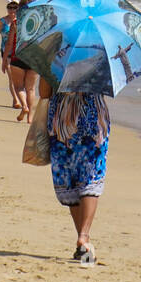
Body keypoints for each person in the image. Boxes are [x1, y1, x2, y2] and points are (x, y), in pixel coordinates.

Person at [38, 76, 110, 267]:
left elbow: (44, 93)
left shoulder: (55, 56)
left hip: (62, 118)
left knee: (71, 181)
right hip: (92, 115)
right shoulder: (100, 55)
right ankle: (84, 237)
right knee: (90, 178)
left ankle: (83, 244)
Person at [2, 0, 38, 123]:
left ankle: (24, 106)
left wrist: (4, 59)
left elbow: (9, 43)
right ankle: (30, 117)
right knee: (31, 88)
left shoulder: (16, 23)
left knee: (19, 87)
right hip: (34, 58)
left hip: (18, 57)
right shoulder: (38, 23)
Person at [0, 0, 21, 109]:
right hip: (6, 51)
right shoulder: (2, 22)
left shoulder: (20, 21)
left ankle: (16, 99)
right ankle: (16, 99)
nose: (12, 10)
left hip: (18, 52)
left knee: (17, 78)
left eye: (15, 7)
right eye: (10, 7)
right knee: (11, 77)